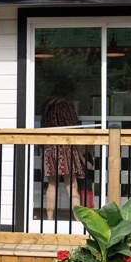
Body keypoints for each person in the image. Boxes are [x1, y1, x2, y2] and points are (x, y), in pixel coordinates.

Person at [41, 81, 91, 219]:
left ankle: (49, 220)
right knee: (71, 185)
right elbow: (73, 125)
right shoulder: (66, 104)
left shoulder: (47, 105)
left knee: (52, 185)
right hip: (65, 147)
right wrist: (80, 148)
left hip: (49, 146)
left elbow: (42, 125)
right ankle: (78, 220)